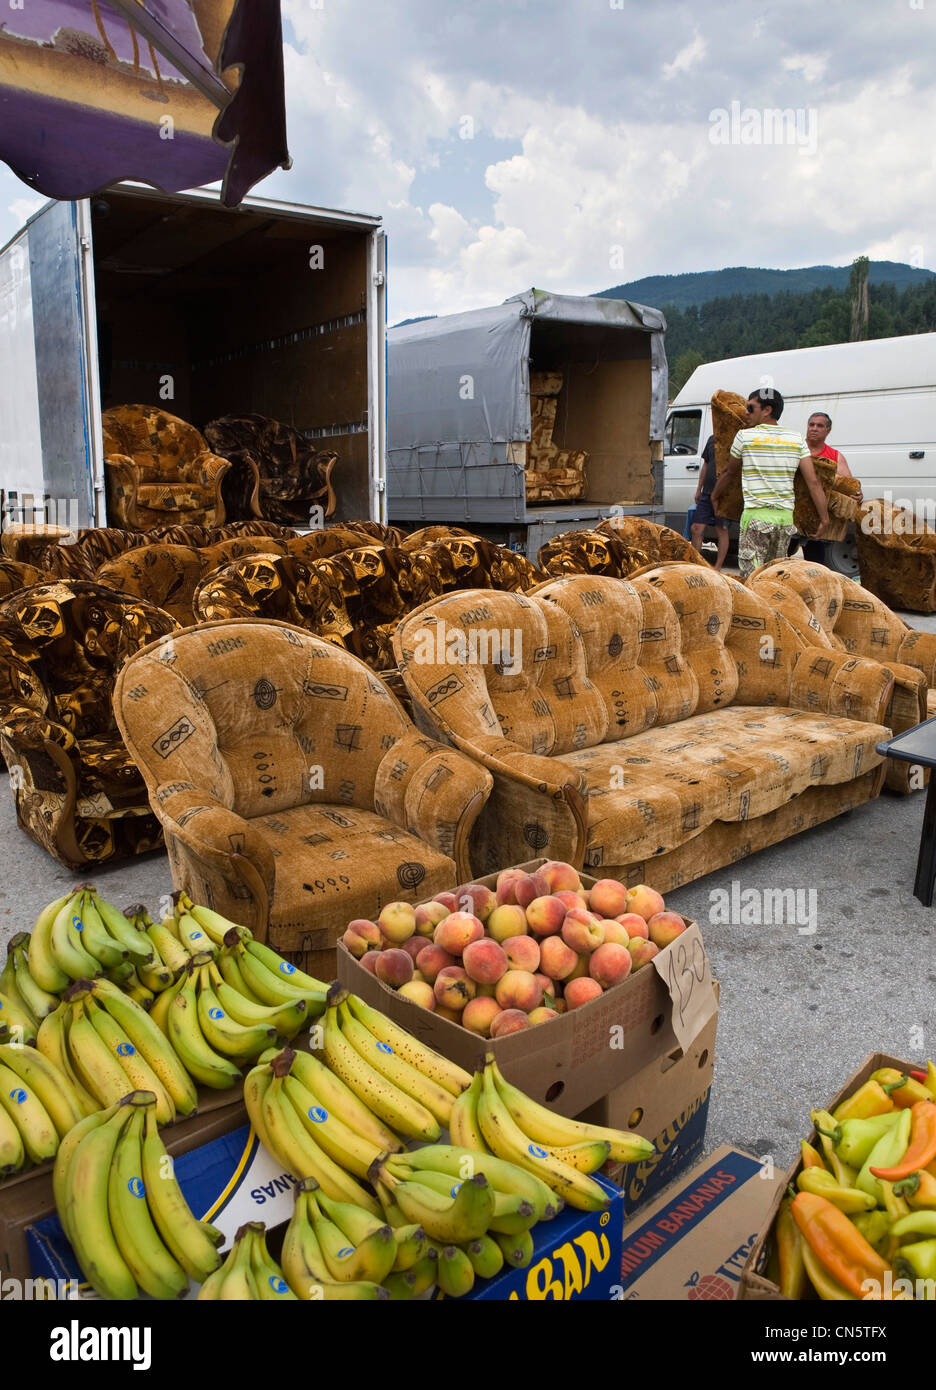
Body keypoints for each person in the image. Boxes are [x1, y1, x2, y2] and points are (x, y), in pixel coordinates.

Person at [710, 387, 829, 579]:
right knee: (773, 578)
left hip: (755, 518)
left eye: (750, 407)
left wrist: (715, 496)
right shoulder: (797, 439)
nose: (746, 412)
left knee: (753, 579)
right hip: (784, 520)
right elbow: (813, 482)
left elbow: (729, 472)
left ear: (767, 410)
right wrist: (824, 519)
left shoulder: (744, 436)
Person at [799, 411, 862, 561]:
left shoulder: (834, 456)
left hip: (818, 522)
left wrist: (858, 494)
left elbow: (850, 487)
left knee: (816, 566)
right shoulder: (795, 449)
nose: (814, 428)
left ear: (828, 430)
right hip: (791, 518)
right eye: (811, 424)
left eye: (820, 426)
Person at [690, 434, 730, 569]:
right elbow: (706, 465)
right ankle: (696, 564)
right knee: (696, 528)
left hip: (724, 495)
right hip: (707, 493)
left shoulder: (736, 438)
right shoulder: (712, 439)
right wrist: (698, 489)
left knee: (721, 529)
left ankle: (717, 567)